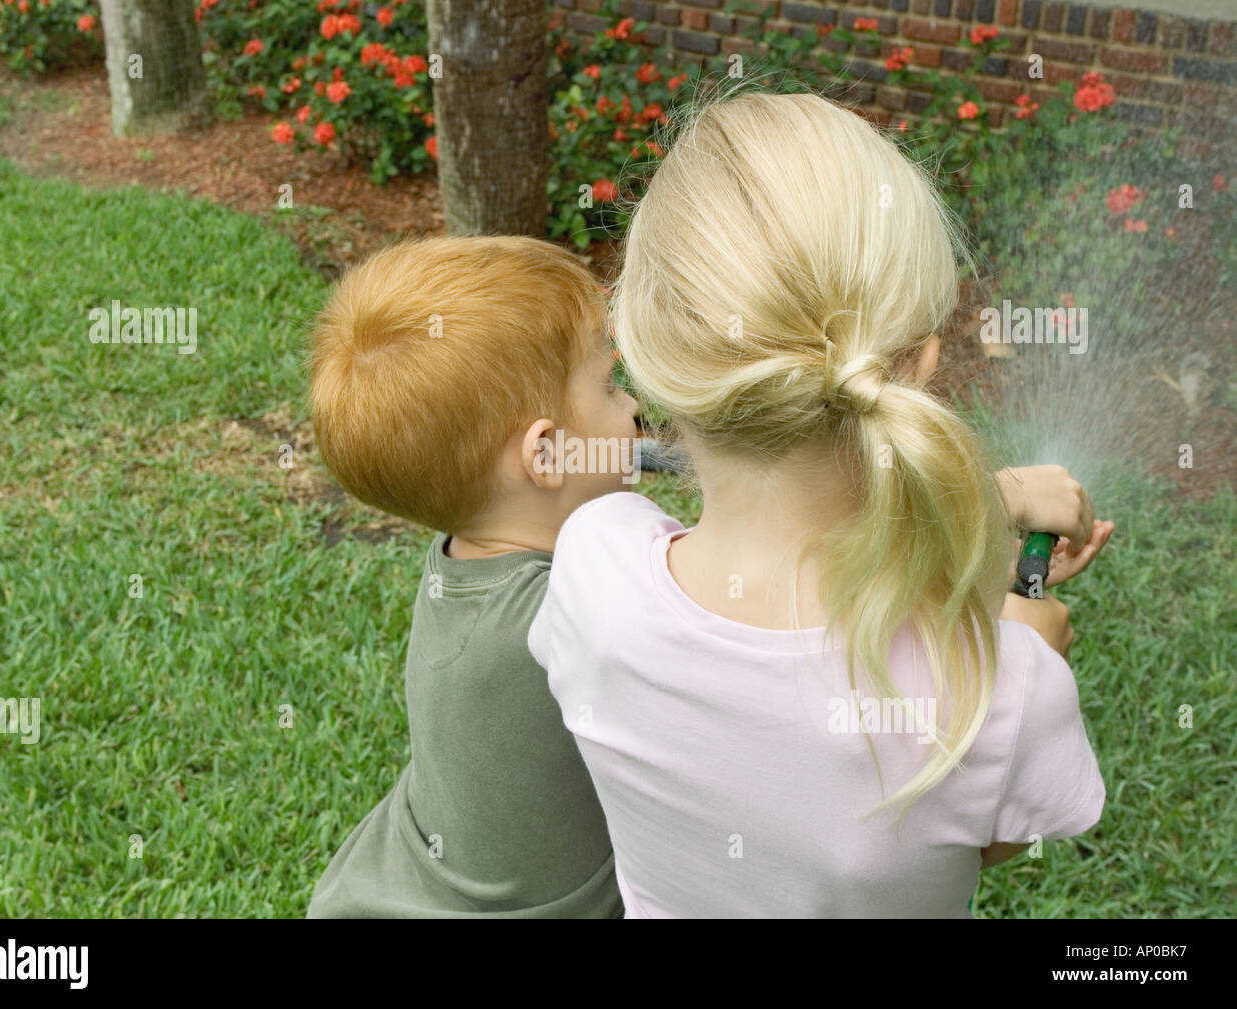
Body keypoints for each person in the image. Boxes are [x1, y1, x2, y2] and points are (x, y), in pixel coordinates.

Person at [529, 90, 1115, 918]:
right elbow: (1005, 837)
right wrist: (1026, 633)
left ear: (653, 352)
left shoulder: (591, 562)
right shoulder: (1003, 690)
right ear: (918, 362)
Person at [306, 235, 638, 916]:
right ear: (545, 453)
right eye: (609, 387)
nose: (633, 408)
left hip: (398, 886)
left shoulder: (463, 558)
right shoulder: (570, 615)